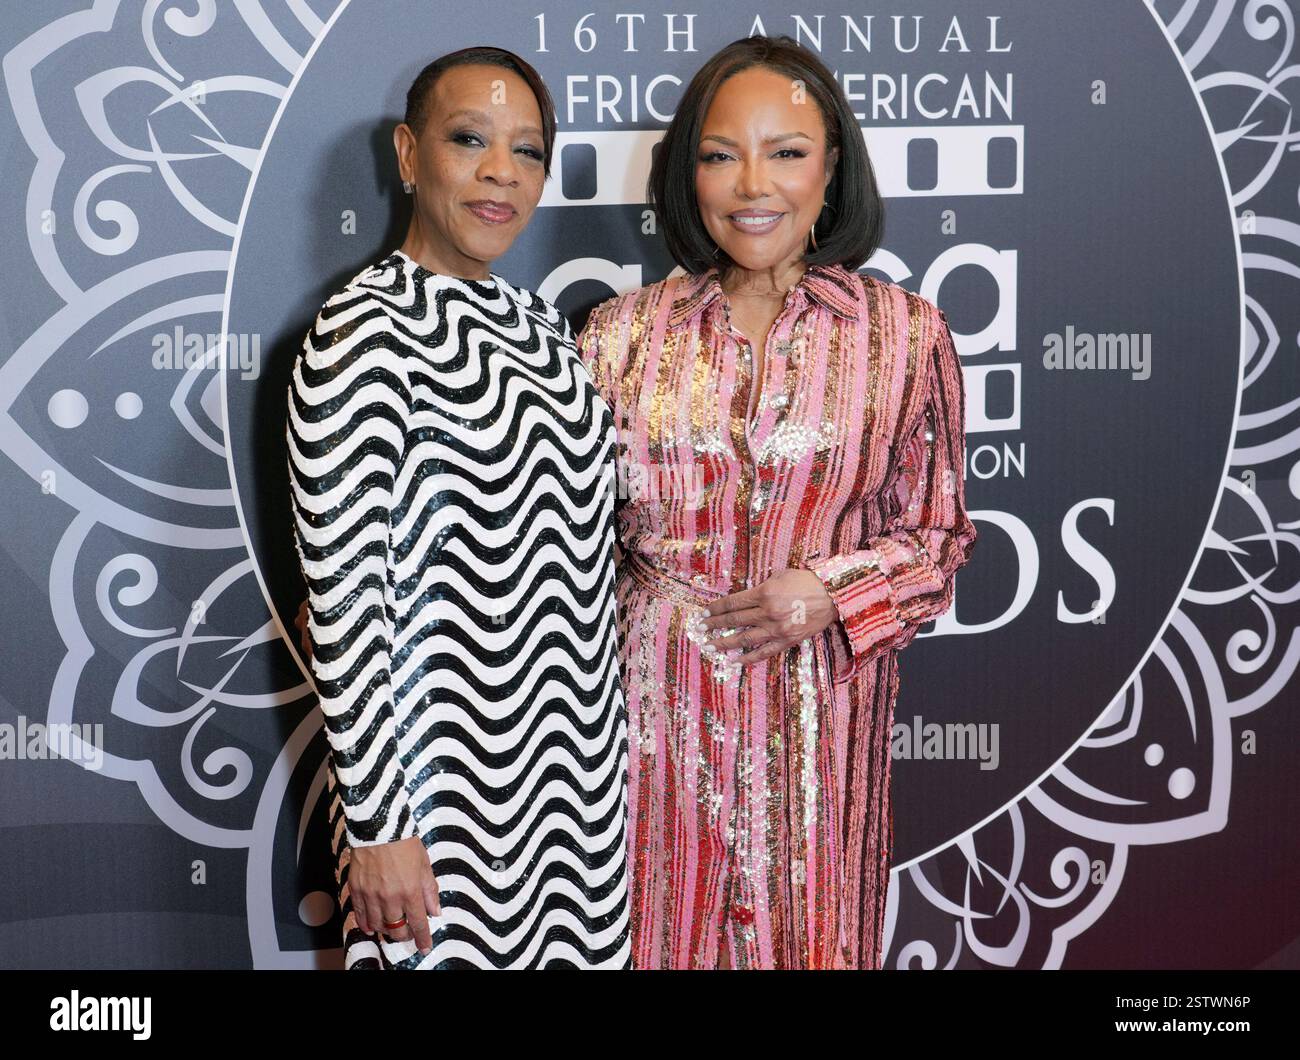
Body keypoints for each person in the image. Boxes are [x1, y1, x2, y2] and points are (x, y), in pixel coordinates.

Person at [574, 34, 977, 969]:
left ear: (831, 171)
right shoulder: (619, 338)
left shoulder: (906, 338)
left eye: (786, 153)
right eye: (720, 155)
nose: (753, 185)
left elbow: (939, 536)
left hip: (820, 731)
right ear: (688, 176)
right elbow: (559, 546)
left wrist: (833, 591)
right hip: (645, 729)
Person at [288, 46, 629, 969]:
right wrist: (382, 822)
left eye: (526, 152)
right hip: (438, 812)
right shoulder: (359, 333)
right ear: (407, 154)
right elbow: (346, 599)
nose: (500, 173)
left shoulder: (542, 330)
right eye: (469, 139)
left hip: (578, 792)